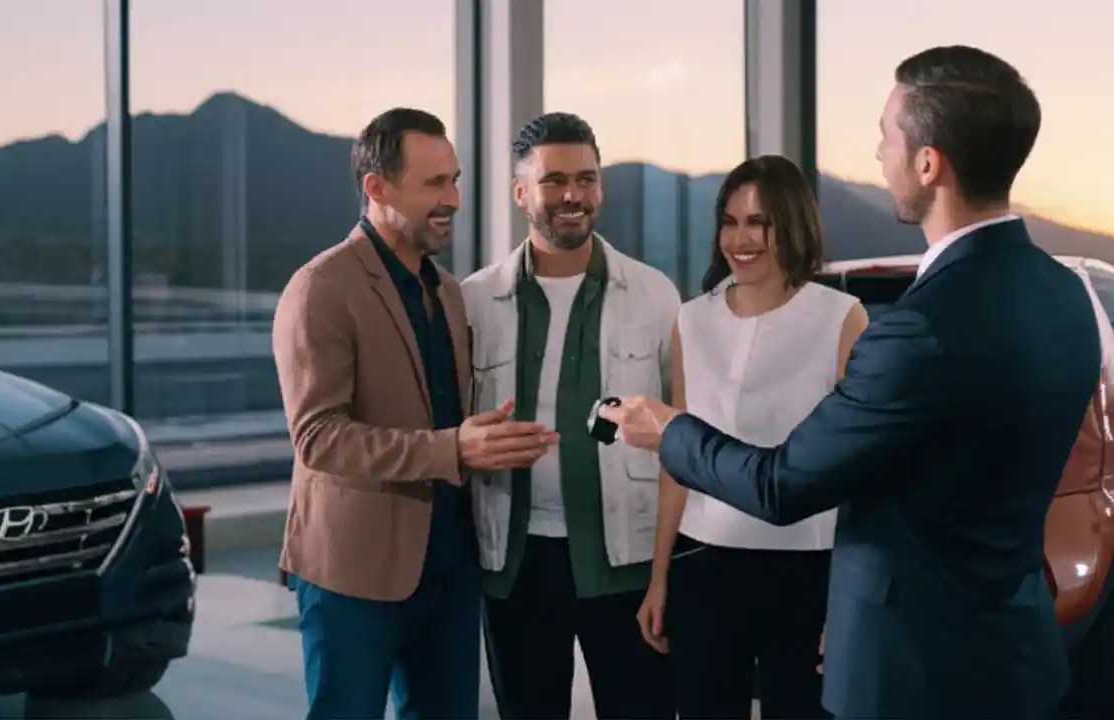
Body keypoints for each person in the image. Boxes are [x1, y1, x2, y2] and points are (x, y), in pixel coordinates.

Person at [600, 45, 1098, 720]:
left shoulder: (915, 330)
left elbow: (781, 486)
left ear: (929, 162)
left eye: (886, 134)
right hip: (1017, 658)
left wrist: (667, 430)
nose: (877, 153)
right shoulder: (1065, 297)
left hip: (915, 672)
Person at [272, 107, 558, 720]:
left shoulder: (449, 293)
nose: (452, 199)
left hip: (451, 570)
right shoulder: (321, 287)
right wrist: (453, 449)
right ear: (376, 188)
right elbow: (318, 438)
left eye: (454, 181)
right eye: (434, 184)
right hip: (353, 574)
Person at [461, 112, 680, 719]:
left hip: (626, 563)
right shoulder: (475, 300)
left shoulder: (655, 294)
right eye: (554, 181)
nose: (572, 196)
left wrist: (666, 575)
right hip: (516, 563)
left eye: (586, 179)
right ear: (521, 192)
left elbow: (679, 445)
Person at [634, 154, 867, 719]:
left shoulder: (842, 318)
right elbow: (677, 457)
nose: (741, 238)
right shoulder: (692, 319)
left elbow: (862, 475)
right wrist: (659, 577)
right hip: (703, 568)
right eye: (730, 221)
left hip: (807, 573)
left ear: (793, 224)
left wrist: (849, 604)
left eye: (759, 222)